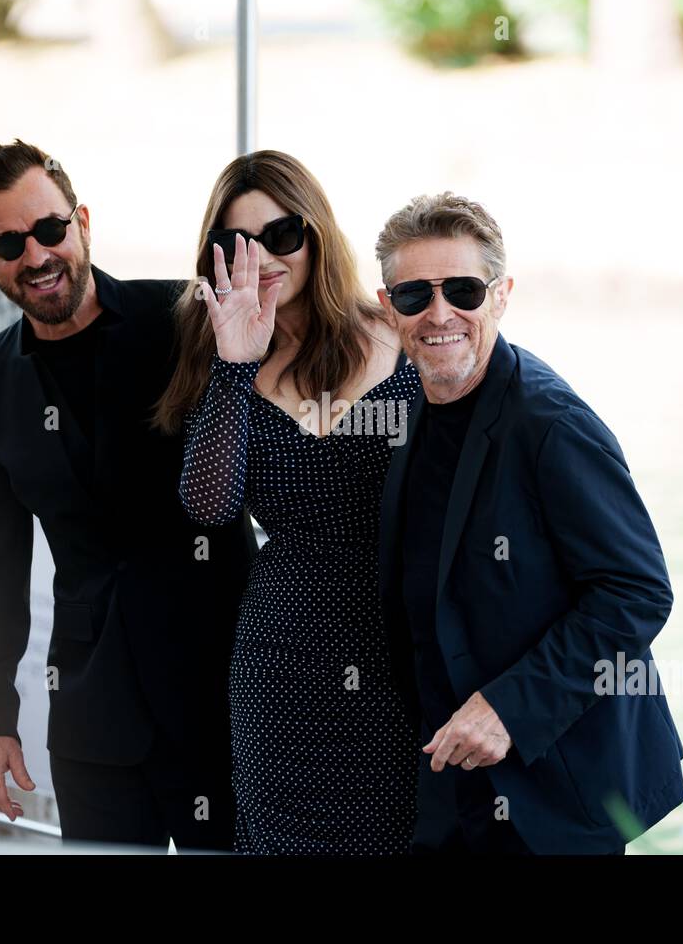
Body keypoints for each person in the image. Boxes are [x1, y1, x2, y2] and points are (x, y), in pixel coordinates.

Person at [0, 139, 256, 849]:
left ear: (81, 221)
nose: (36, 256)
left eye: (50, 230)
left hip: (223, 697)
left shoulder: (184, 321)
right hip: (92, 718)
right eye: (9, 243)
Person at [374, 191, 683, 854]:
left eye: (463, 290)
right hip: (446, 789)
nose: (439, 315)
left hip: (554, 794)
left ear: (502, 295)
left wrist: (508, 709)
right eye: (413, 296)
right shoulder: (408, 407)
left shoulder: (551, 426)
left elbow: (636, 592)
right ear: (387, 308)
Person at [154, 150, 420, 854]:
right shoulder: (219, 358)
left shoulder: (398, 332)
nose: (263, 258)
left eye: (281, 236)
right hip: (283, 665)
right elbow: (210, 507)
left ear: (316, 234)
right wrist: (236, 364)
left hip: (403, 653)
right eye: (236, 244)